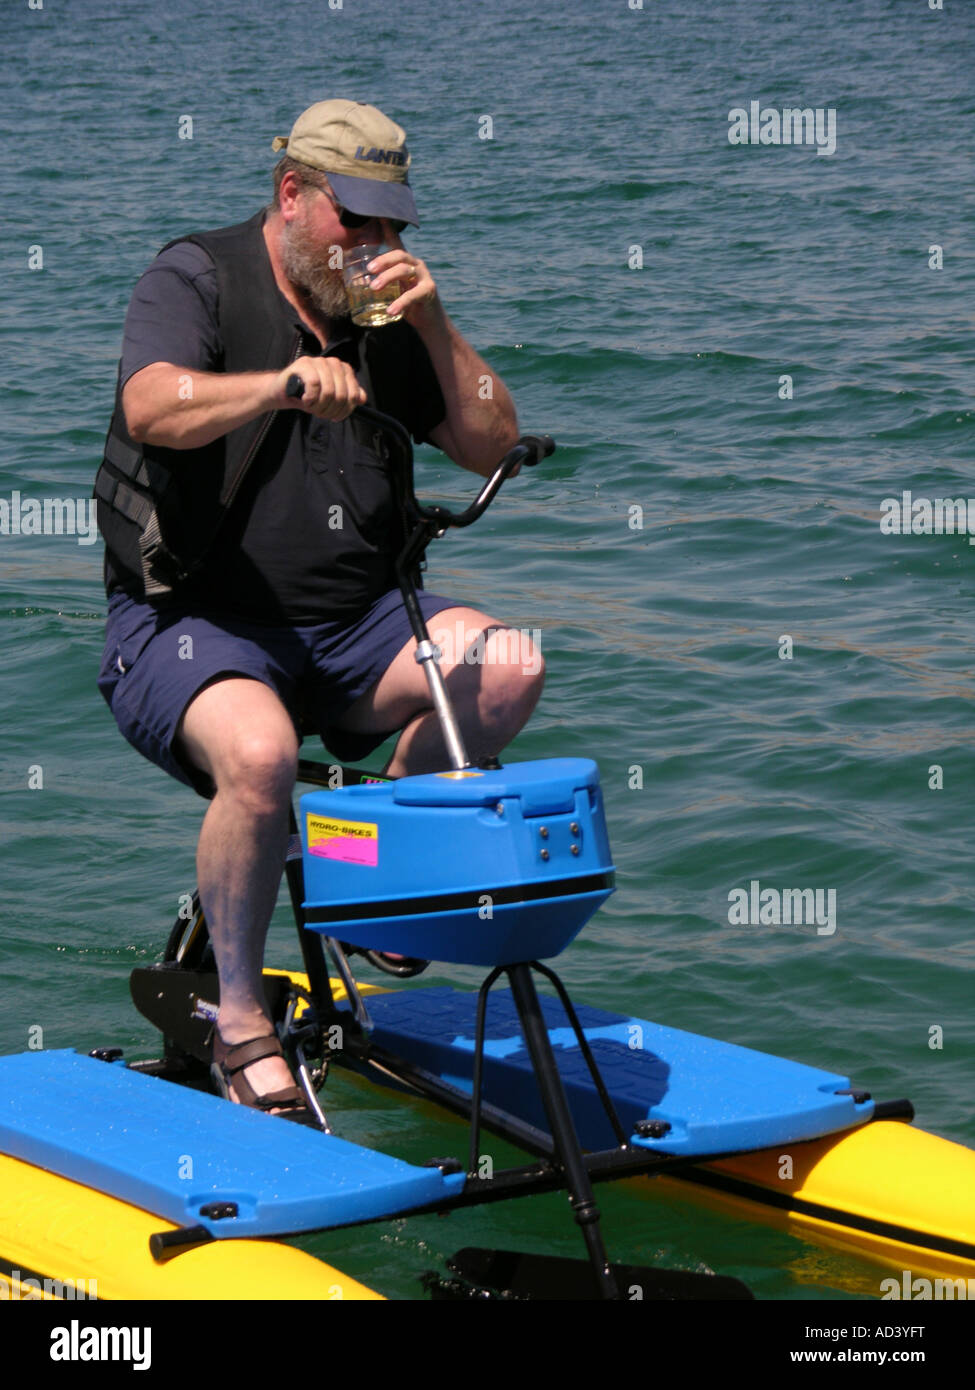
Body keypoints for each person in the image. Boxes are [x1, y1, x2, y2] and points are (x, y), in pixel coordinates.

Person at [95, 99, 544, 1119]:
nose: (377, 246)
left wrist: (432, 319)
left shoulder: (388, 317)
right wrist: (283, 385)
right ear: (293, 195)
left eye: (395, 227)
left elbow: (492, 441)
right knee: (256, 754)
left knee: (507, 660)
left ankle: (370, 887)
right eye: (359, 221)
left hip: (356, 627)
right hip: (190, 623)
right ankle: (242, 1024)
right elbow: (150, 403)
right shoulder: (198, 275)